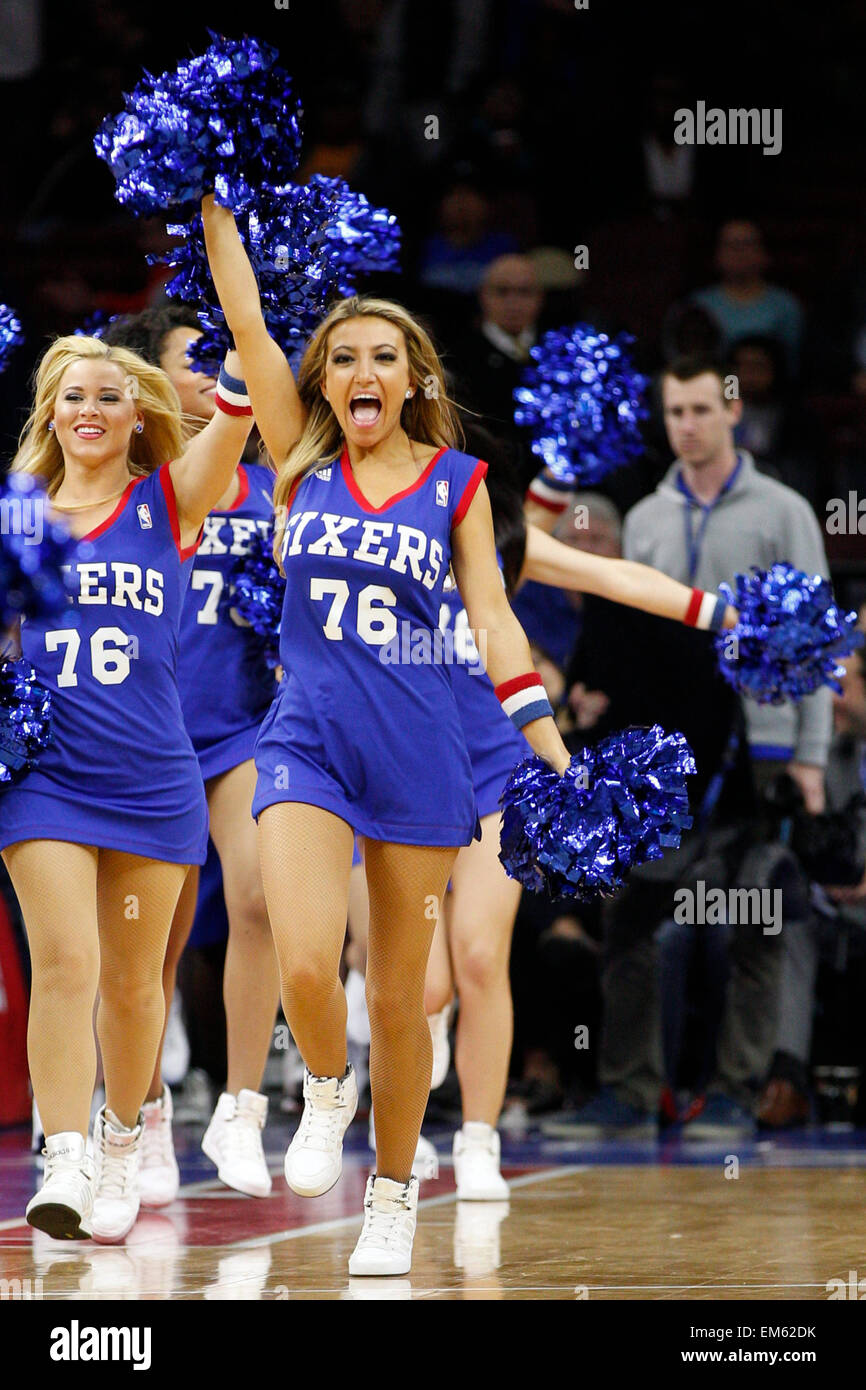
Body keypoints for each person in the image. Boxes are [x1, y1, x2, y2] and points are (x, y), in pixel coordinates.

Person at [200, 191, 576, 1276]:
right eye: (344, 356)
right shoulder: (296, 461)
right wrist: (219, 191)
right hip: (307, 739)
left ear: (413, 380)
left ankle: (397, 1193)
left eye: (384, 357)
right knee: (303, 957)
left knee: (403, 997)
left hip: (420, 758)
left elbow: (495, 618)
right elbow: (250, 323)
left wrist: (546, 747)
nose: (362, 372)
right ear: (324, 381)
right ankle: (326, 1085)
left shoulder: (458, 484)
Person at [348, 423, 738, 1196]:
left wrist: (721, 614)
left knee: (483, 956)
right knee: (419, 986)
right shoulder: (357, 532)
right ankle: (402, 1120)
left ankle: (482, 1136)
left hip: (497, 774)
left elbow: (619, 578)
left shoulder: (498, 541)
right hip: (398, 771)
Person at [0, 333, 253, 1241]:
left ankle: (119, 1138)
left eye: (109, 395)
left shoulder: (170, 502)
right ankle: (63, 1152)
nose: (90, 411)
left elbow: (240, 397)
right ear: (51, 414)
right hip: (45, 778)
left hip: (151, 774)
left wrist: (241, 270)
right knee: (66, 962)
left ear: (137, 412)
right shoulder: (15, 518)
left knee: (138, 982)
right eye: (72, 397)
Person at [549, 352, 833, 1138]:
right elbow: (629, 637)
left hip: (761, 750)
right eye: (675, 413)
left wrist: (807, 757)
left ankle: (738, 1092)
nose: (688, 426)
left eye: (702, 410)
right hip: (666, 753)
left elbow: (812, 641)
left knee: (755, 919)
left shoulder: (782, 511)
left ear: (732, 410)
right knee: (632, 920)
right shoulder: (644, 518)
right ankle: (631, 1092)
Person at [102, 306, 280, 1203]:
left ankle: (243, 1105)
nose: (213, 373)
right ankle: (142, 1113)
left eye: (224, 358)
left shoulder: (279, 485)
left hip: (244, 727)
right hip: (146, 732)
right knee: (151, 952)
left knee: (257, 897)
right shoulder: (125, 486)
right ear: (151, 383)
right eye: (193, 359)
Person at [690, 220, 804, 377]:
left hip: (768, 396)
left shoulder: (785, 306)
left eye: (747, 244)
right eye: (731, 245)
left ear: (764, 253)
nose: (739, 252)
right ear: (717, 254)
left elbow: (791, 365)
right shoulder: (699, 305)